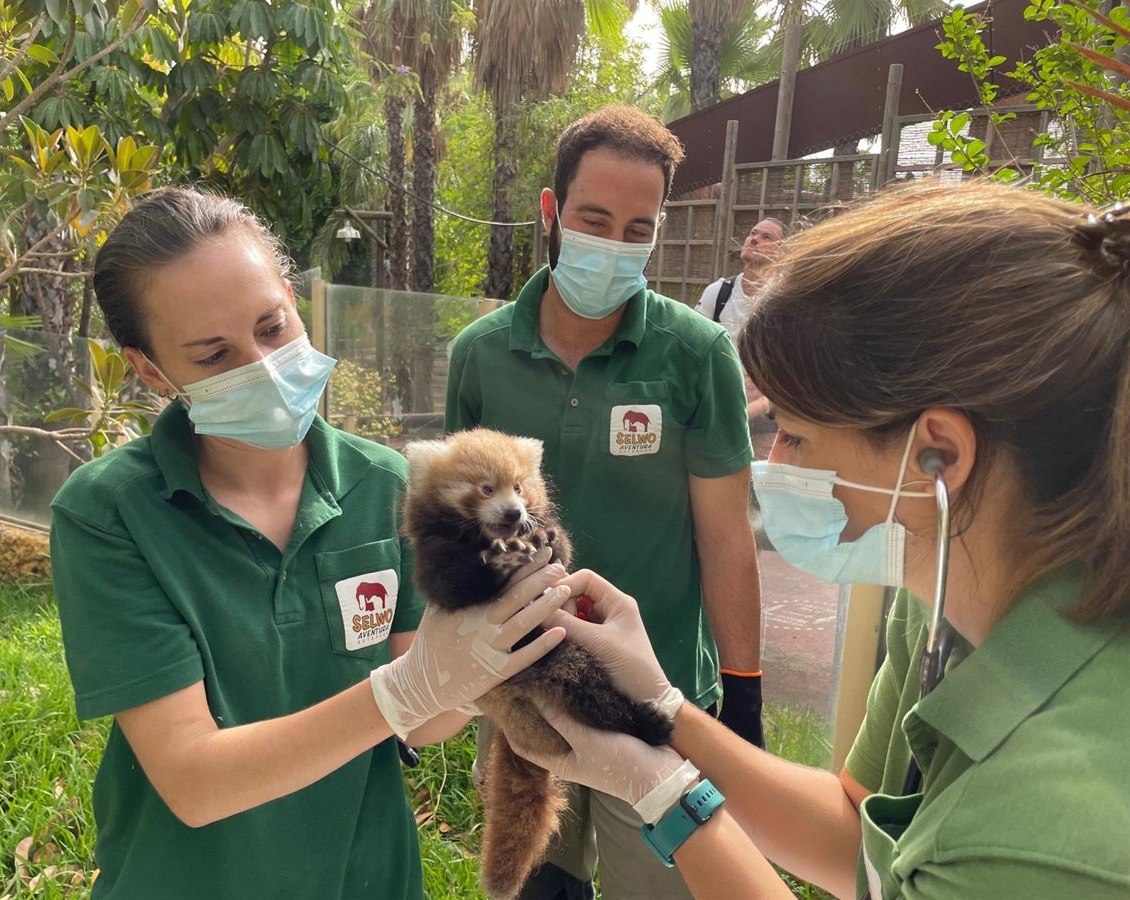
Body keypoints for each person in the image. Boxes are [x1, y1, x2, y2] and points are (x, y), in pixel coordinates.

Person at [511, 180, 1130, 899]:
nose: (773, 470)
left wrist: (659, 792)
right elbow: (852, 835)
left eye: (797, 438)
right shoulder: (939, 608)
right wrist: (664, 710)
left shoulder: (1056, 832)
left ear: (939, 455)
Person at [48, 187, 571, 899]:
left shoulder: (391, 486)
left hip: (364, 878)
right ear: (148, 369)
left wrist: (495, 651)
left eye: (272, 326)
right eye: (213, 355)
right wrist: (402, 692)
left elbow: (429, 720)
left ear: (293, 300)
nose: (261, 366)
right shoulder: (111, 512)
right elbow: (193, 781)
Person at [445, 105, 763, 900]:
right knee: (531, 879)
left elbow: (726, 538)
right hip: (525, 680)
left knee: (652, 884)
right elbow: (455, 528)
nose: (615, 244)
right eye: (595, 220)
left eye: (638, 228)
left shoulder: (697, 355)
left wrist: (744, 692)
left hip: (651, 693)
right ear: (551, 213)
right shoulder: (479, 357)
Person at [695, 217, 786, 420]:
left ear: (781, 254)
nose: (754, 239)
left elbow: (792, 374)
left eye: (766, 237)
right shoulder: (718, 292)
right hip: (714, 400)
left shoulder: (785, 303)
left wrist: (750, 410)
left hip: (765, 415)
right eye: (753, 233)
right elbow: (692, 349)